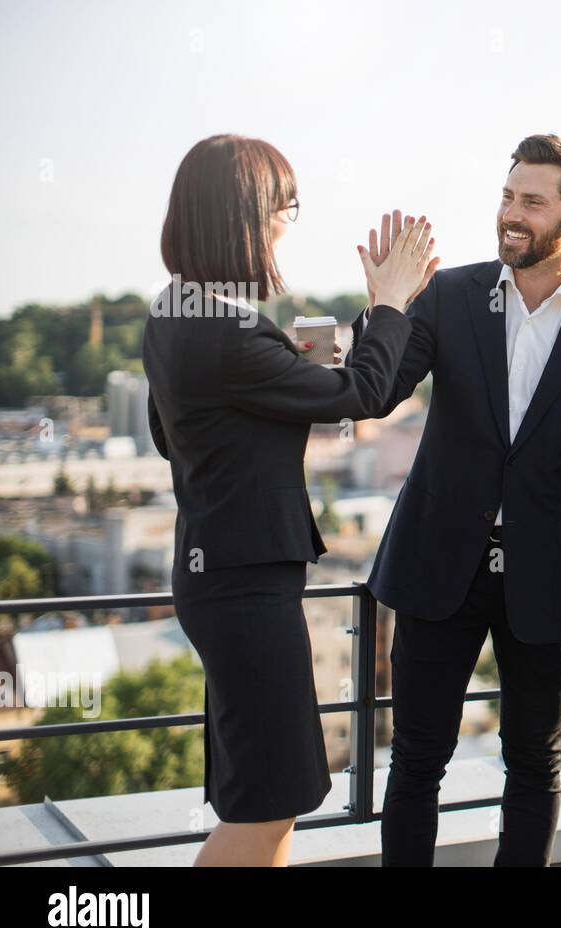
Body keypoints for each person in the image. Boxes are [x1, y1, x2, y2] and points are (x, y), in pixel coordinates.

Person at [348, 134, 561, 866]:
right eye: (507, 197)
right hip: (436, 561)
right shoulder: (450, 296)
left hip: (542, 576)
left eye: (532, 201)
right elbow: (378, 394)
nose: (511, 214)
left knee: (536, 768)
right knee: (417, 761)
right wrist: (385, 306)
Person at [144, 133, 437, 866]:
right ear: (240, 214)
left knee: (266, 802)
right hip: (245, 586)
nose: (284, 224)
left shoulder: (174, 313)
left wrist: (290, 370)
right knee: (269, 805)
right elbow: (361, 394)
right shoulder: (228, 331)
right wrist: (392, 302)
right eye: (283, 207)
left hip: (218, 576)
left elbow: (167, 432)